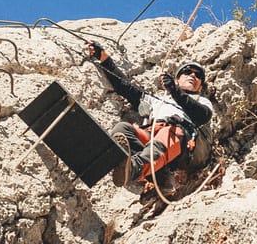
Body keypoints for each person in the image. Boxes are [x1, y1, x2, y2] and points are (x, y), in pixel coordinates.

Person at [86, 42, 213, 194]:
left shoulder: (202, 101)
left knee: (170, 131)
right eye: (187, 72)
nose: (193, 75)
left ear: (199, 87)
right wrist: (104, 59)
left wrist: (174, 90)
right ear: (177, 79)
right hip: (154, 137)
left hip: (181, 145)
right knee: (122, 128)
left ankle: (134, 168)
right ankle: (157, 173)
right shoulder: (156, 100)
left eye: (198, 76)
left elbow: (202, 115)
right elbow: (125, 87)